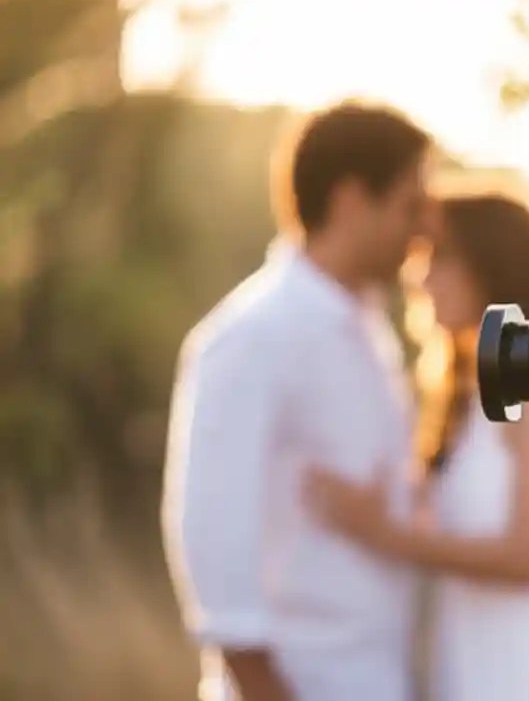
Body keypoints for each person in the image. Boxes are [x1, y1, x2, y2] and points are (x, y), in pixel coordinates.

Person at [304, 178, 529, 701]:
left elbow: (524, 558)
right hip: (470, 655)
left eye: (440, 256)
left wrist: (379, 532)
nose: (420, 276)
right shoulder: (468, 396)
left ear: (493, 264)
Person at [162, 102, 433, 701]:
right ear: (351, 201)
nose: (423, 230)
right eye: (410, 206)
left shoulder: (367, 331)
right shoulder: (254, 335)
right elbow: (211, 537)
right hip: (305, 682)